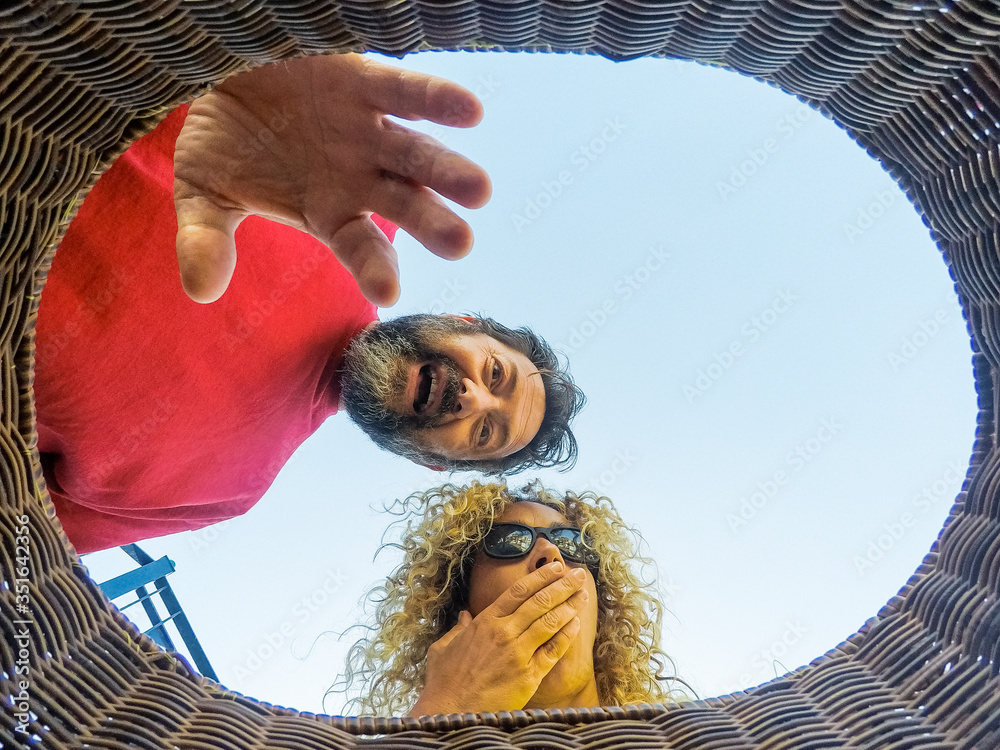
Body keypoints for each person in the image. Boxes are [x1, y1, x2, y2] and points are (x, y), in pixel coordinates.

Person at [35, 54, 585, 554]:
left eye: (485, 432)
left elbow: (23, 538)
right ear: (461, 322)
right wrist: (235, 55)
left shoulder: (229, 489)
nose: (472, 397)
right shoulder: (348, 194)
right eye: (496, 372)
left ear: (432, 460)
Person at [337, 481, 683, 716]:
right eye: (510, 540)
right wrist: (448, 706)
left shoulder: (692, 735)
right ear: (460, 613)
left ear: (603, 611)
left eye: (570, 542)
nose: (550, 553)